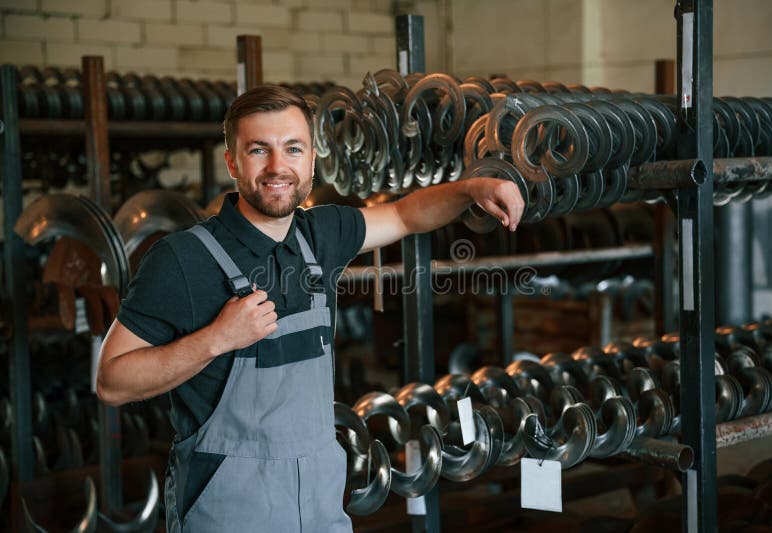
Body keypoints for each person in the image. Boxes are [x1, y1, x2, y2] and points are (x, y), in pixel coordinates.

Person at [96, 84, 524, 533]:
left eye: (293, 148)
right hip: (231, 511)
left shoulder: (322, 234)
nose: (278, 167)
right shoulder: (182, 260)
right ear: (232, 162)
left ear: (312, 160)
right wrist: (216, 339)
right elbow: (112, 381)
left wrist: (473, 187)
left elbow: (404, 215)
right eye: (259, 150)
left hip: (320, 507)